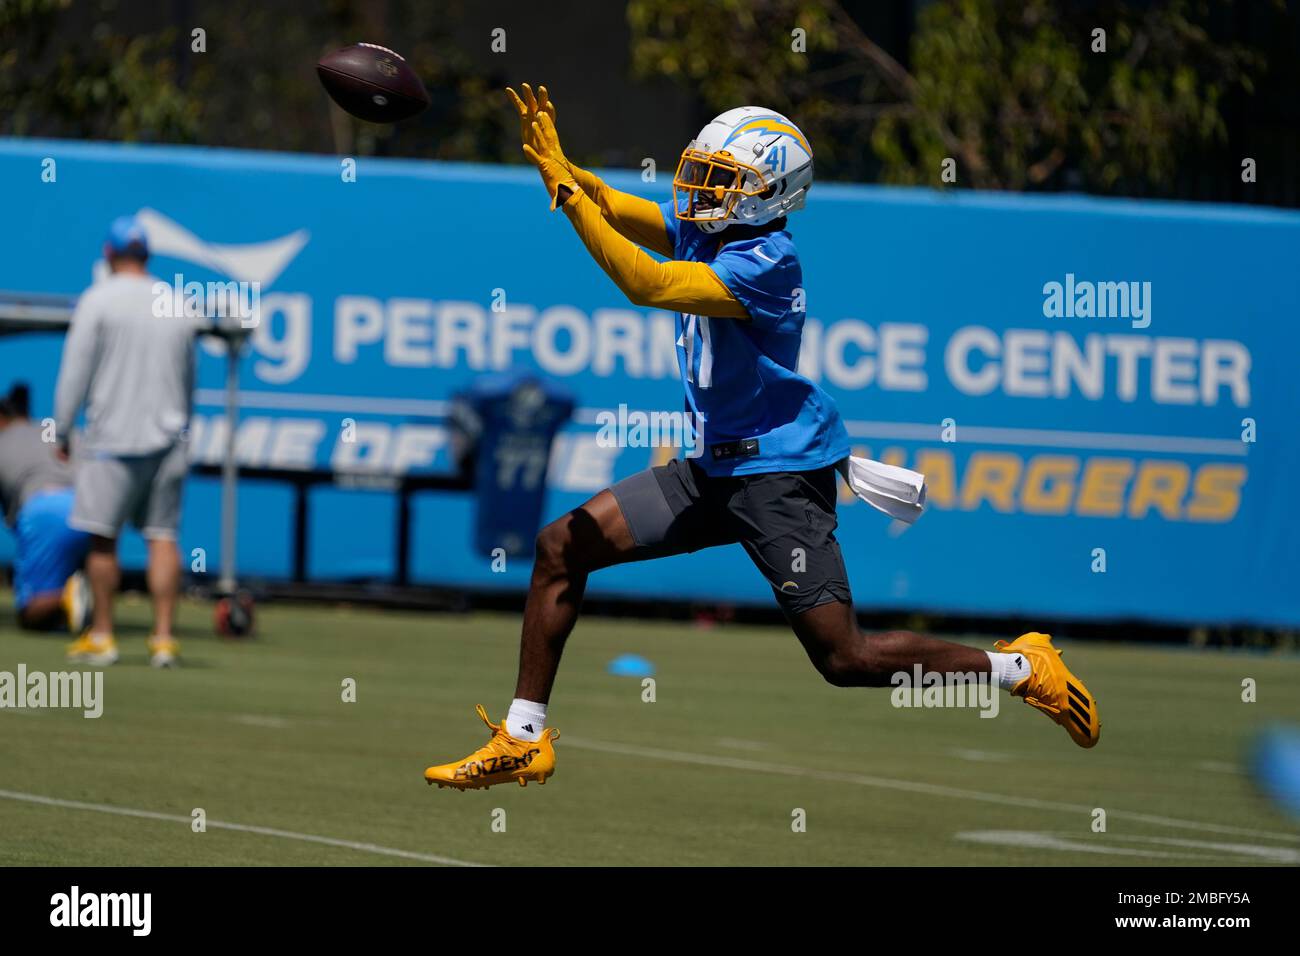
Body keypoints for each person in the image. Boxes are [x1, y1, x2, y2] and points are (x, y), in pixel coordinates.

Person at [424, 86, 1100, 791]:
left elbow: (646, 282)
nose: (701, 190)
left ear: (771, 194)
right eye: (702, 173)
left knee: (845, 660)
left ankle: (1022, 668)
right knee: (562, 547)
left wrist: (568, 196)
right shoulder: (711, 228)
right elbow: (629, 211)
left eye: (722, 180)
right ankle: (525, 737)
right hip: (714, 469)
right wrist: (567, 169)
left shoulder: (766, 259)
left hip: (778, 477)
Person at [54, 215, 199, 668]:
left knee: (102, 539)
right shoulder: (176, 302)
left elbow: (75, 371)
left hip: (112, 439)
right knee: (163, 537)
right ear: (147, 256)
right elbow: (190, 376)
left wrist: (60, 427)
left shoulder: (97, 300)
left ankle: (103, 636)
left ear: (108, 254)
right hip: (168, 439)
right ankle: (162, 639)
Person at [0, 383, 90, 631]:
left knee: (31, 615)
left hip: (45, 511)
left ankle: (65, 596)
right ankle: (90, 610)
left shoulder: (4, 439)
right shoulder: (54, 429)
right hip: (92, 507)